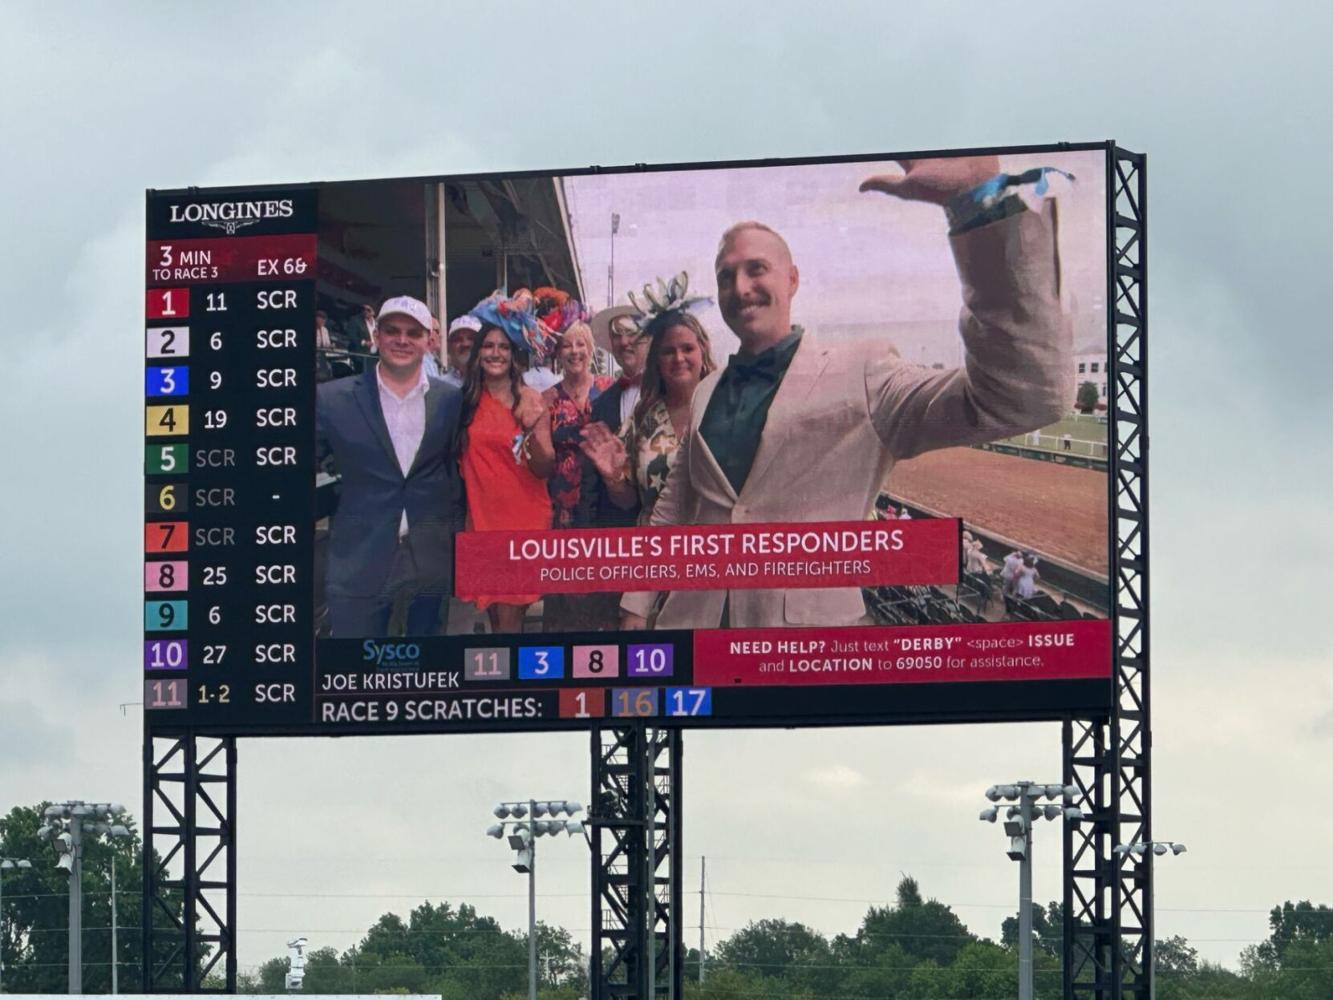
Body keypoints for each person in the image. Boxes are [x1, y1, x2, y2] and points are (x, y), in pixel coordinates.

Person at [649, 156, 1072, 629]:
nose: (740, 287)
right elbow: (675, 507)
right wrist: (636, 603)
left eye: (756, 269)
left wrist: (978, 206)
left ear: (792, 279)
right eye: (726, 276)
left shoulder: (865, 371)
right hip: (689, 639)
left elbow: (1023, 396)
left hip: (808, 660)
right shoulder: (706, 391)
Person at [315, 295, 465, 637]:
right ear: (376, 336)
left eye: (413, 333)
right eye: (392, 330)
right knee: (356, 674)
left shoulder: (449, 400)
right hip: (359, 557)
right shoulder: (332, 399)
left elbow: (454, 470)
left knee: (425, 670)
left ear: (429, 341)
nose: (402, 340)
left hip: (429, 556)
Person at [581, 298, 718, 628]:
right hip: (653, 560)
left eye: (687, 348)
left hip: (715, 560)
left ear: (703, 352)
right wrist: (614, 479)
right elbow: (630, 500)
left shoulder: (727, 408)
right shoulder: (643, 417)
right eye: (668, 351)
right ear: (657, 360)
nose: (679, 358)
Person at [456, 295, 555, 634]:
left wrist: (531, 429)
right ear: (478, 352)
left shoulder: (530, 399)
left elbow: (545, 467)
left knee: (510, 621)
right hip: (482, 520)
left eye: (503, 346)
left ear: (514, 354)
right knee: (495, 617)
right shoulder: (465, 399)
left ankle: (507, 684)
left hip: (522, 521)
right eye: (488, 346)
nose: (495, 353)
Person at [442, 314, 479, 388]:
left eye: (471, 338)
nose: (465, 344)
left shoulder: (496, 383)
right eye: (458, 339)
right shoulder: (441, 386)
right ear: (449, 347)